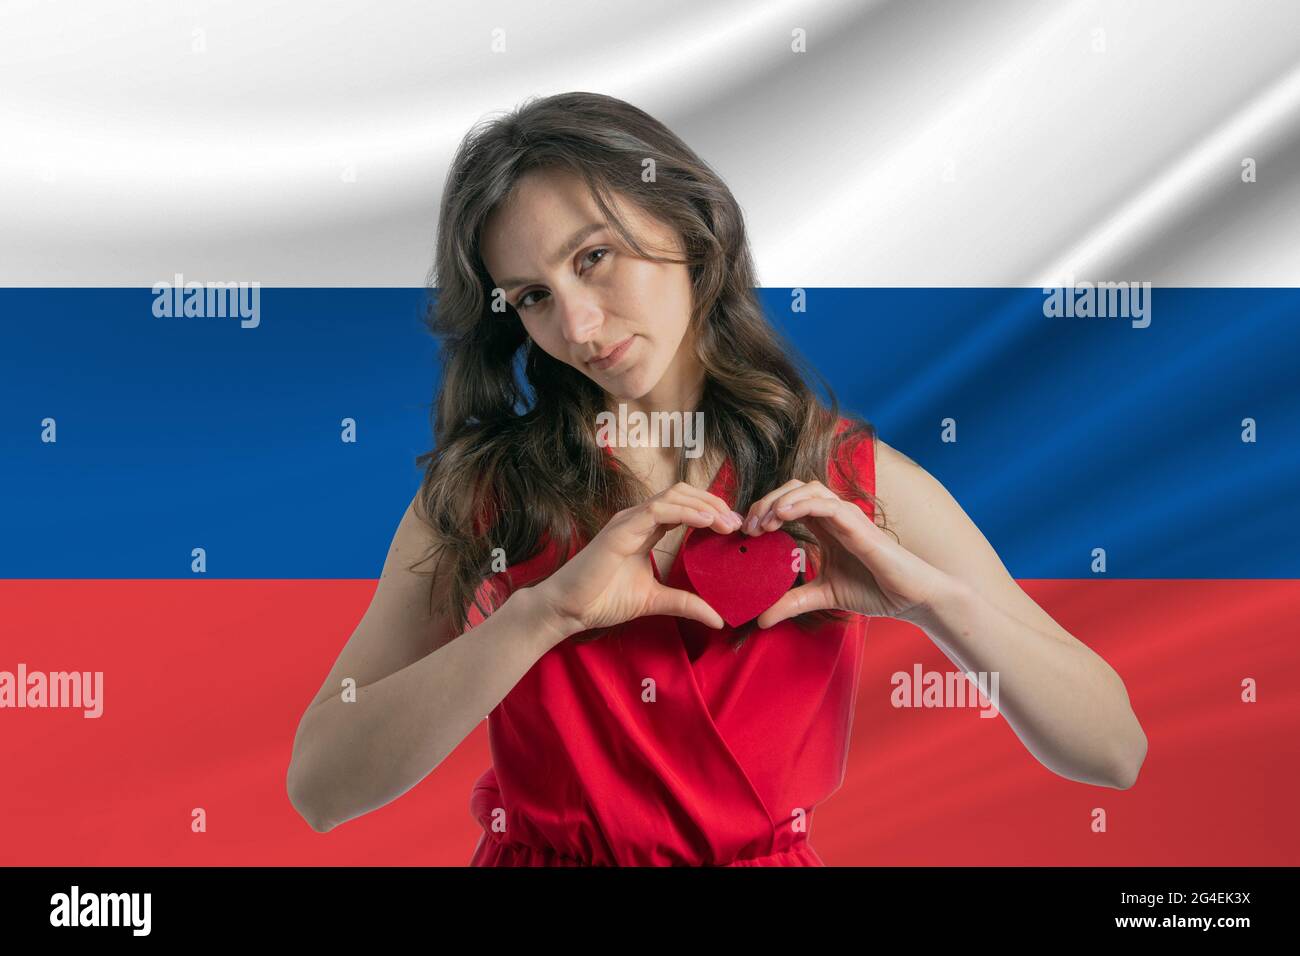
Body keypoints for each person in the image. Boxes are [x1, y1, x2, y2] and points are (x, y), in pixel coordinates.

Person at [285, 91, 1148, 866]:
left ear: (691, 227)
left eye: (593, 258)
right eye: (532, 297)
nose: (579, 326)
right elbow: (321, 788)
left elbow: (1114, 750)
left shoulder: (847, 477)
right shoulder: (484, 494)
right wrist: (540, 616)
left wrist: (935, 605)